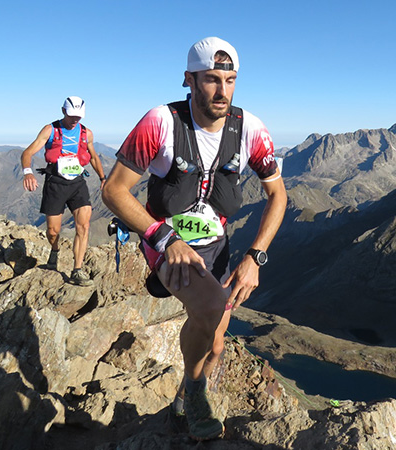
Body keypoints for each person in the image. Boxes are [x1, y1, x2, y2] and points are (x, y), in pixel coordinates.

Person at [102, 37, 286, 440]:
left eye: (230, 80)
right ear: (189, 79)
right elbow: (114, 190)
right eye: (211, 79)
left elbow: (278, 194)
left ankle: (181, 403)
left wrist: (255, 257)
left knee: (216, 345)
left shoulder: (249, 129)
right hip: (164, 240)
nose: (222, 91)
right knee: (210, 307)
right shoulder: (160, 122)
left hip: (217, 247)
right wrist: (164, 238)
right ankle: (199, 393)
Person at [21, 96, 106, 286]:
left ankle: (77, 270)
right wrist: (27, 173)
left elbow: (93, 157)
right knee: (52, 230)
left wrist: (102, 178)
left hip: (77, 183)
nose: (75, 119)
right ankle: (55, 251)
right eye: (72, 115)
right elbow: (27, 152)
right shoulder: (50, 130)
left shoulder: (87, 133)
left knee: (83, 226)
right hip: (55, 183)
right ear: (63, 111)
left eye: (79, 116)